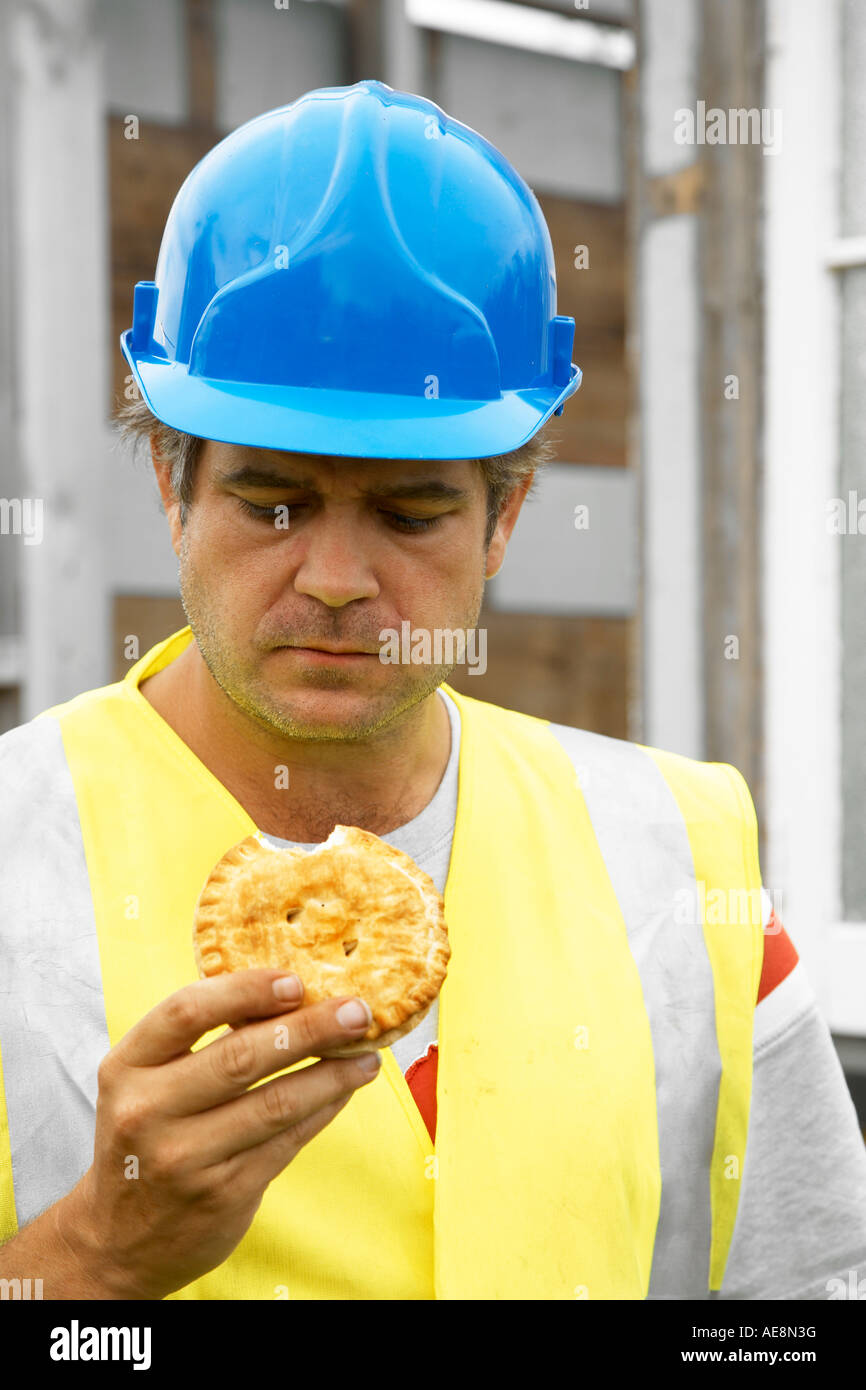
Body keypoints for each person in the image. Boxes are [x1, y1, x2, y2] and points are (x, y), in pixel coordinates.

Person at [1, 80, 864, 1302]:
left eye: (411, 512)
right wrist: (93, 1256)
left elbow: (805, 1302)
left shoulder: (682, 862)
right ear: (167, 479)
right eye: (272, 503)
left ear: (504, 514)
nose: (341, 580)